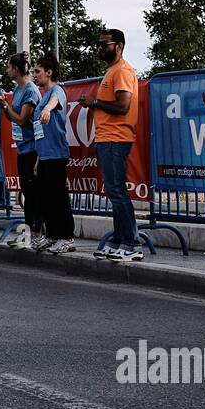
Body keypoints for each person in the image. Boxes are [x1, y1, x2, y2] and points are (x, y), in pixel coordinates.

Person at [69, 30, 140, 261]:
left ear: (118, 46)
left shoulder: (122, 71)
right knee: (113, 191)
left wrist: (95, 102)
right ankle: (119, 239)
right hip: (106, 138)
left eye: (103, 44)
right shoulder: (112, 71)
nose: (99, 48)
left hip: (116, 138)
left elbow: (123, 106)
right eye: (97, 44)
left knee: (117, 191)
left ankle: (131, 243)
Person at [0, 53, 43, 248]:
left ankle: (36, 233)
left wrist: (5, 107)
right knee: (27, 193)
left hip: (33, 148)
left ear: (16, 68)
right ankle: (29, 233)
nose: (7, 71)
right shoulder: (18, 89)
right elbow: (13, 118)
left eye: (9, 67)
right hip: (23, 148)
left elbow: (22, 119)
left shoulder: (30, 90)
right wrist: (4, 107)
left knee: (33, 194)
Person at [33, 53, 75, 254]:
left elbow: (56, 101)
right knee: (46, 198)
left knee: (59, 197)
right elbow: (40, 131)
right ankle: (52, 235)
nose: (35, 75)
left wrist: (48, 109)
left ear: (49, 73)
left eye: (38, 71)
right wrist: (39, 158)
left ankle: (67, 237)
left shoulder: (57, 91)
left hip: (56, 154)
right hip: (44, 155)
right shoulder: (43, 95)